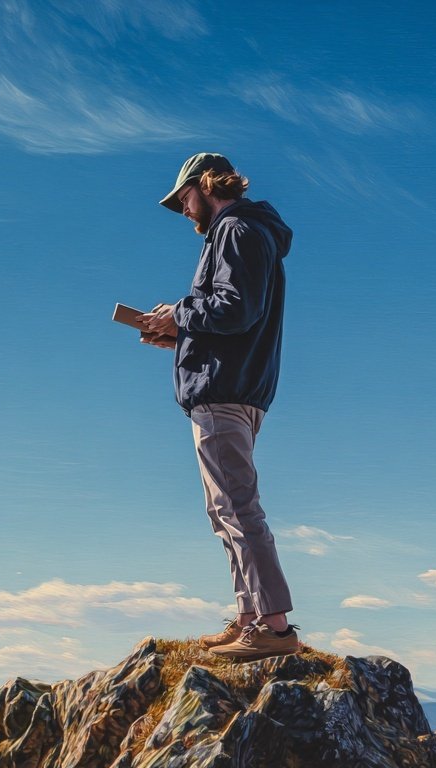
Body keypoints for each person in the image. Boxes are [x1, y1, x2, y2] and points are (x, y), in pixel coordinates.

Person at [137, 152, 300, 660]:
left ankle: (274, 628)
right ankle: (249, 615)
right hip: (235, 386)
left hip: (225, 392)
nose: (184, 211)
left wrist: (177, 314)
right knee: (224, 508)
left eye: (184, 198)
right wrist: (179, 337)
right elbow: (237, 317)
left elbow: (233, 308)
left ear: (207, 185)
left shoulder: (235, 230)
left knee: (237, 507)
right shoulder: (248, 233)